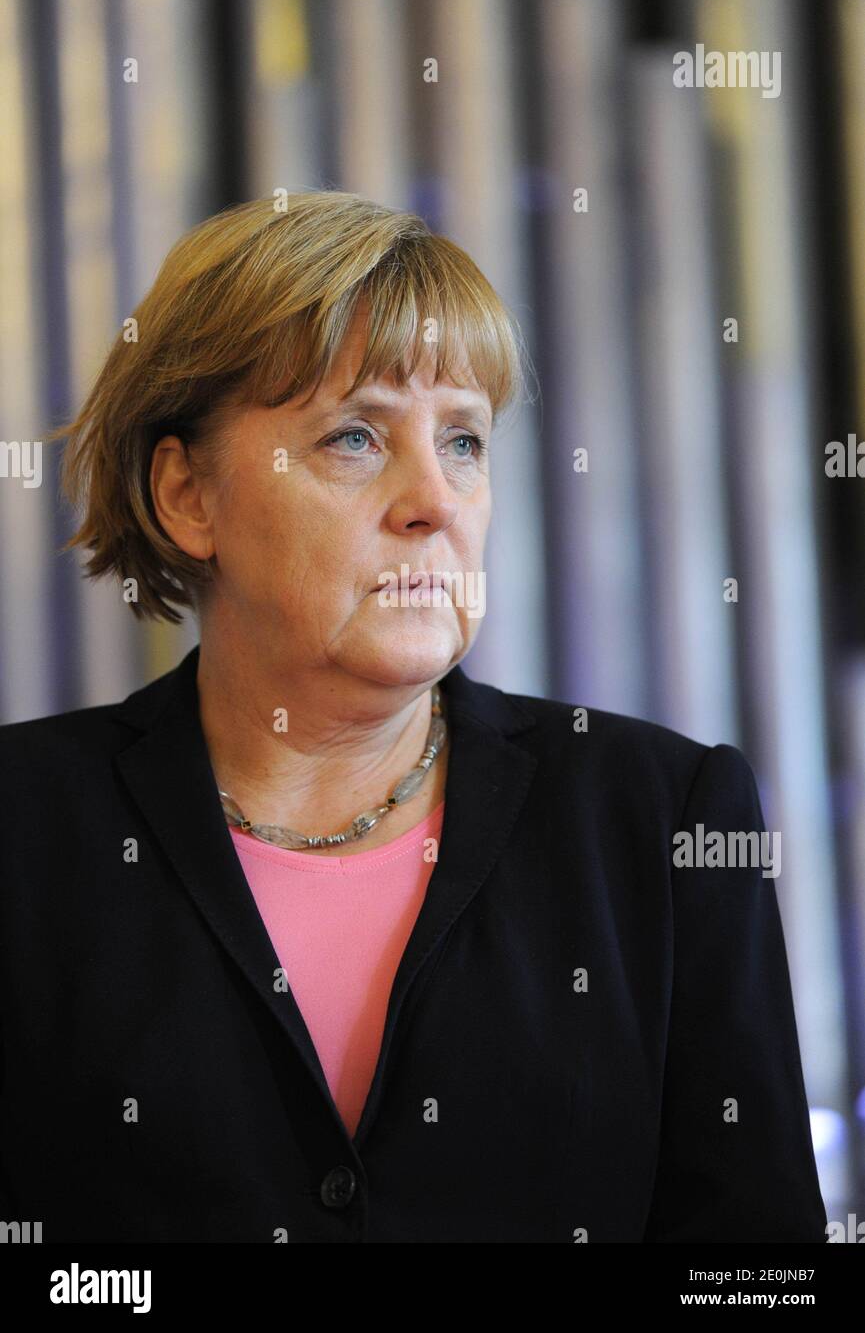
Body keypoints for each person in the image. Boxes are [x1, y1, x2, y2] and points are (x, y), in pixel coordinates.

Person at [0, 192, 827, 1243]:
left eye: (466, 443)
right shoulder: (24, 828)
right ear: (187, 497)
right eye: (354, 436)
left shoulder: (658, 816)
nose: (432, 499)